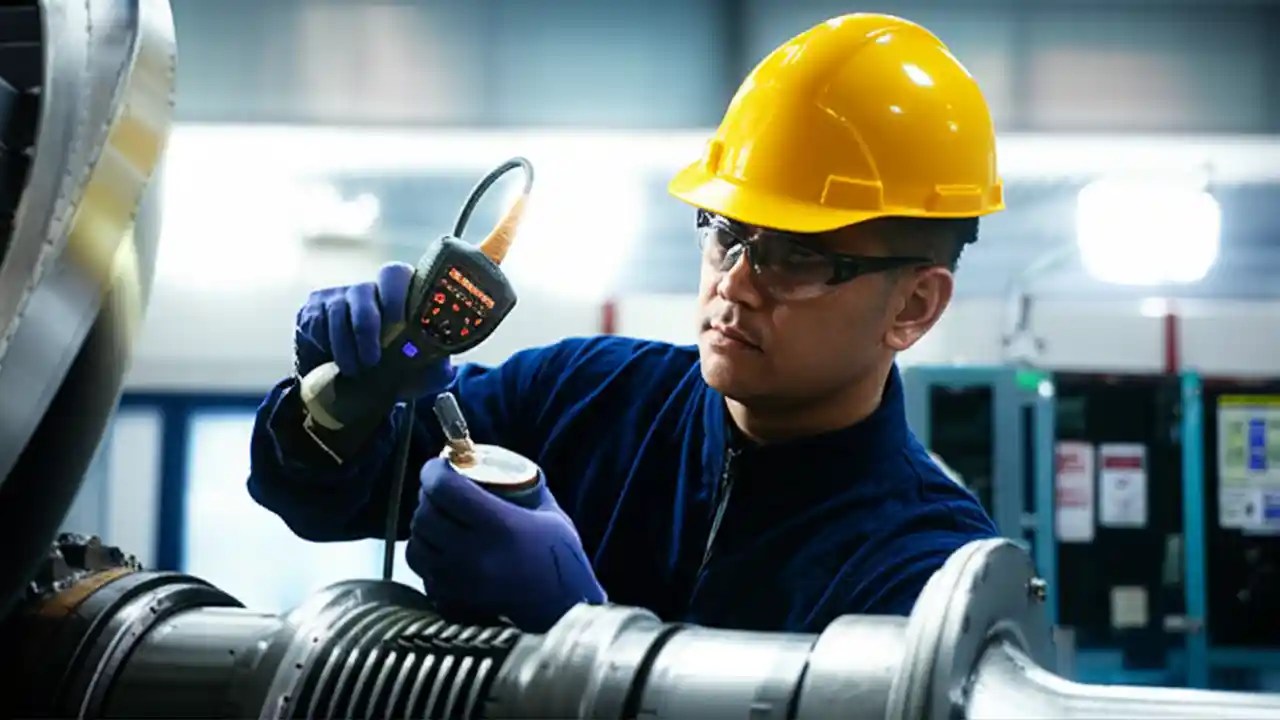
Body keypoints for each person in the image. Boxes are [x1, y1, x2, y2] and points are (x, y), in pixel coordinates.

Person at [248, 13, 1004, 634]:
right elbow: (327, 494)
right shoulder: (586, 393)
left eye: (798, 258)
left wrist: (584, 630)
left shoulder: (924, 576)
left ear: (913, 307)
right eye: (725, 233)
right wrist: (344, 402)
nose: (735, 282)